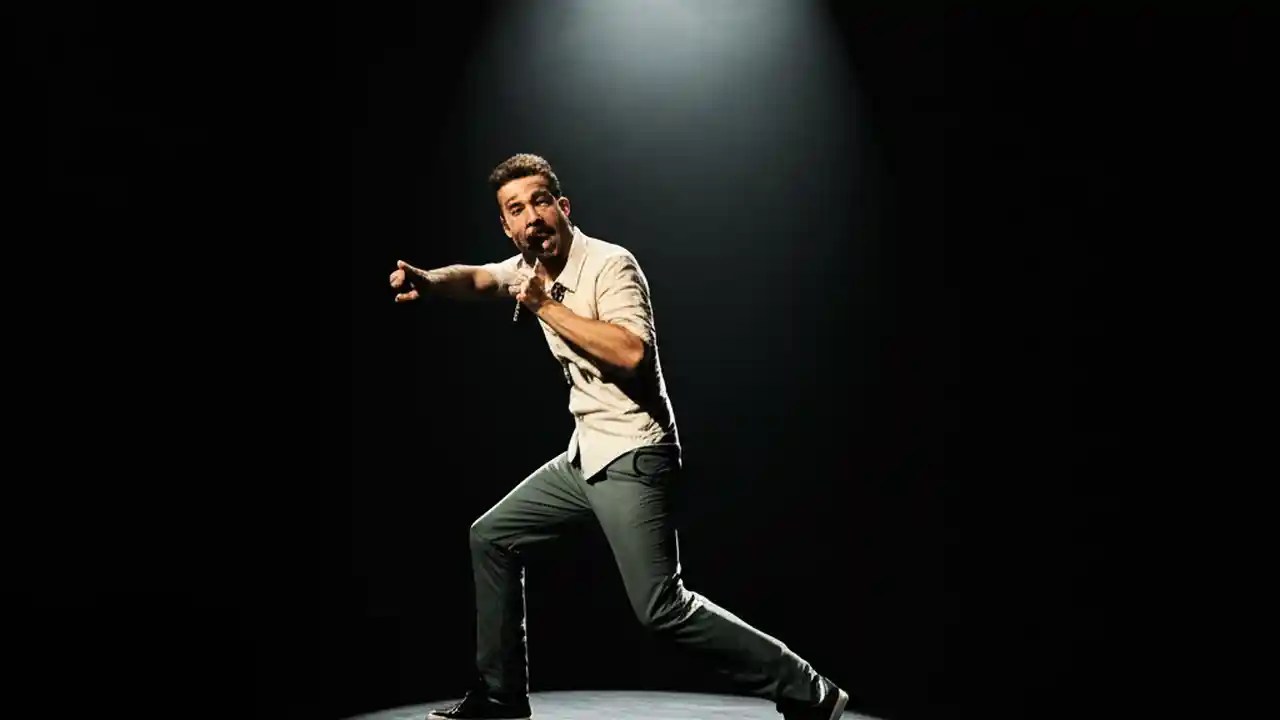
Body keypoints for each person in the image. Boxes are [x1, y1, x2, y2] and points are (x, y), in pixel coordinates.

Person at [388, 153, 848, 720]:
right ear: (507, 227)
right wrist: (430, 282)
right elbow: (482, 278)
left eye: (539, 201)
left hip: (635, 453)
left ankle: (808, 689)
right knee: (492, 537)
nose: (531, 216)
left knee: (661, 608)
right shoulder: (527, 269)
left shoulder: (610, 265)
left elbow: (631, 354)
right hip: (586, 456)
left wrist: (542, 307)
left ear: (563, 207)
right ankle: (500, 695)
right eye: (515, 209)